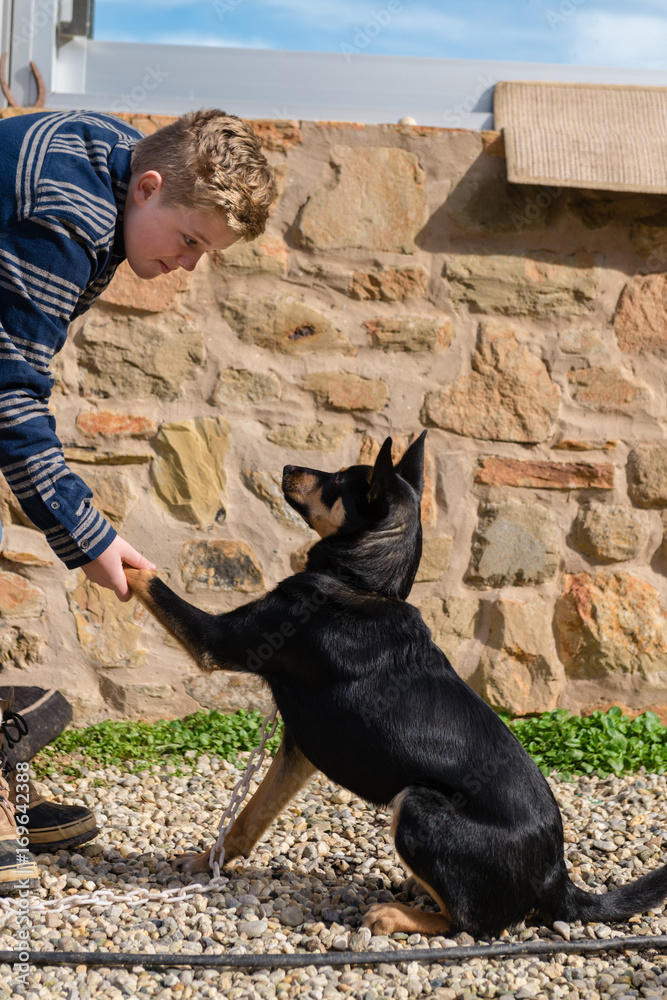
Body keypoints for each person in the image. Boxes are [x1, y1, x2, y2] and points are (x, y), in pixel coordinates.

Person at [0, 108, 276, 892]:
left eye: (206, 254)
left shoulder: (114, 161)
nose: (188, 266)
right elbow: (11, 394)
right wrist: (88, 535)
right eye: (189, 240)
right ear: (147, 188)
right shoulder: (68, 214)